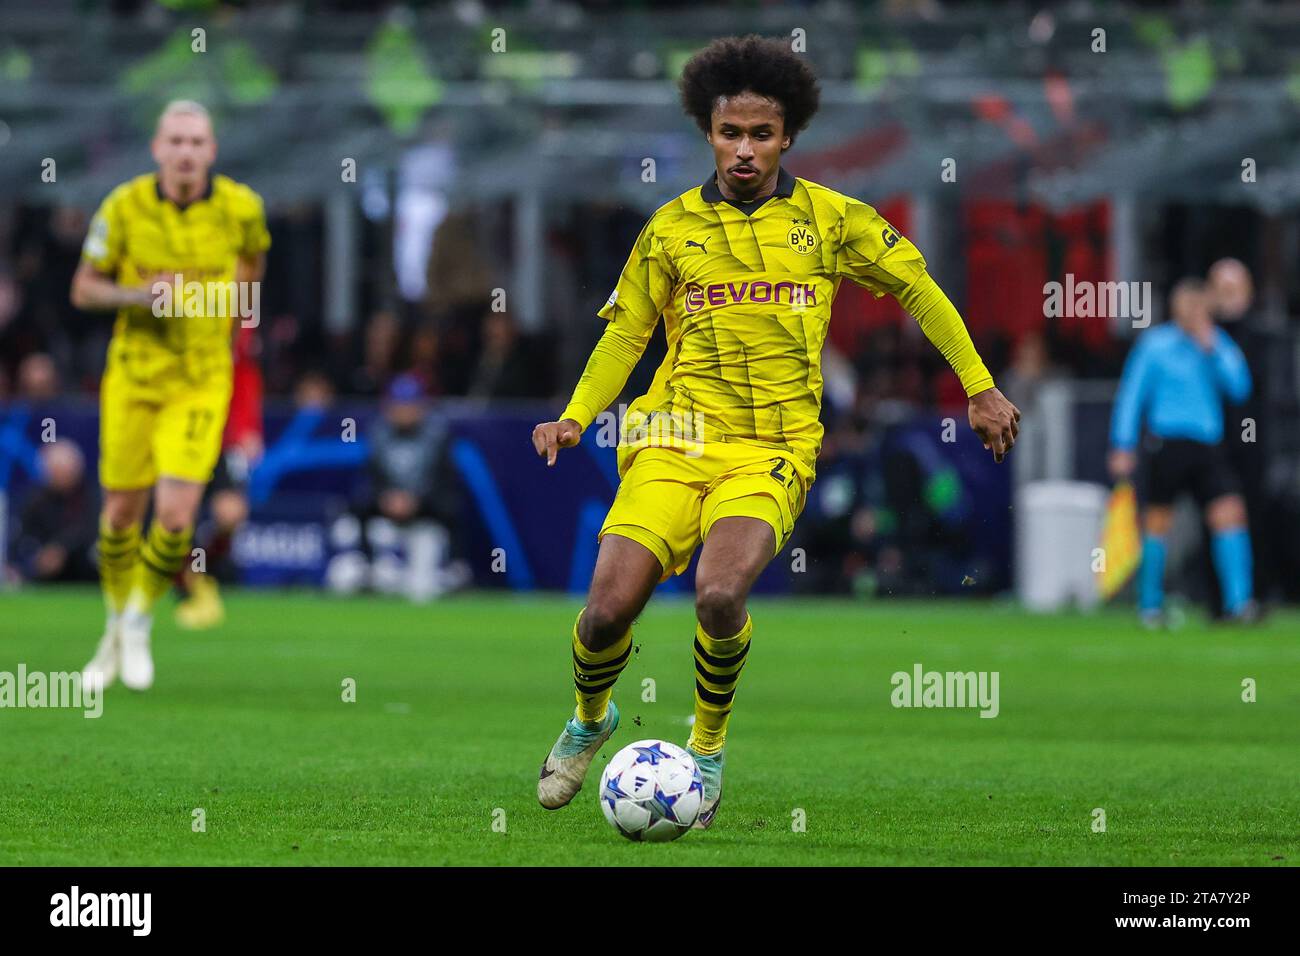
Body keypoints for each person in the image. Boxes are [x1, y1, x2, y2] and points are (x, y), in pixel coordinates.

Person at [530, 35, 1019, 828]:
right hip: (671, 437)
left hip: (771, 448)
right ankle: (591, 718)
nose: (745, 149)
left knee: (719, 596)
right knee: (603, 614)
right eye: (731, 133)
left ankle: (708, 748)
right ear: (708, 133)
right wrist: (574, 417)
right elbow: (626, 334)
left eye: (762, 134)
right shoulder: (670, 228)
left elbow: (918, 288)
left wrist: (981, 386)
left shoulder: (833, 220)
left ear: (789, 136)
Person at [71, 99, 270, 690]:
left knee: (178, 515)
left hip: (202, 377)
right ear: (157, 149)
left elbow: (253, 268)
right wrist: (137, 297)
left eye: (196, 142)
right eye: (175, 142)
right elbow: (83, 288)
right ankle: (113, 622)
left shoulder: (241, 208)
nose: (185, 152)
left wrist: (227, 312)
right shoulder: (124, 206)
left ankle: (136, 620)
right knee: (120, 515)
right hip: (133, 375)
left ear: (211, 151)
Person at [1108, 278, 1255, 626]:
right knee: (1158, 522)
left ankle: (1240, 603)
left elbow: (1240, 388)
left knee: (1230, 513)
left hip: (1207, 445)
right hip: (1168, 443)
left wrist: (1212, 347)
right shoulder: (1155, 344)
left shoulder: (1217, 343)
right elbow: (1132, 396)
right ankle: (1150, 605)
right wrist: (1122, 444)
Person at [12, 442, 99, 583]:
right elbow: (23, 536)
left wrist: (62, 549)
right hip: (45, 576)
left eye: (65, 471)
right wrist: (37, 556)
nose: (61, 476)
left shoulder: (93, 497)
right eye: (55, 471)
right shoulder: (35, 500)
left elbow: (90, 529)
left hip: (86, 572)